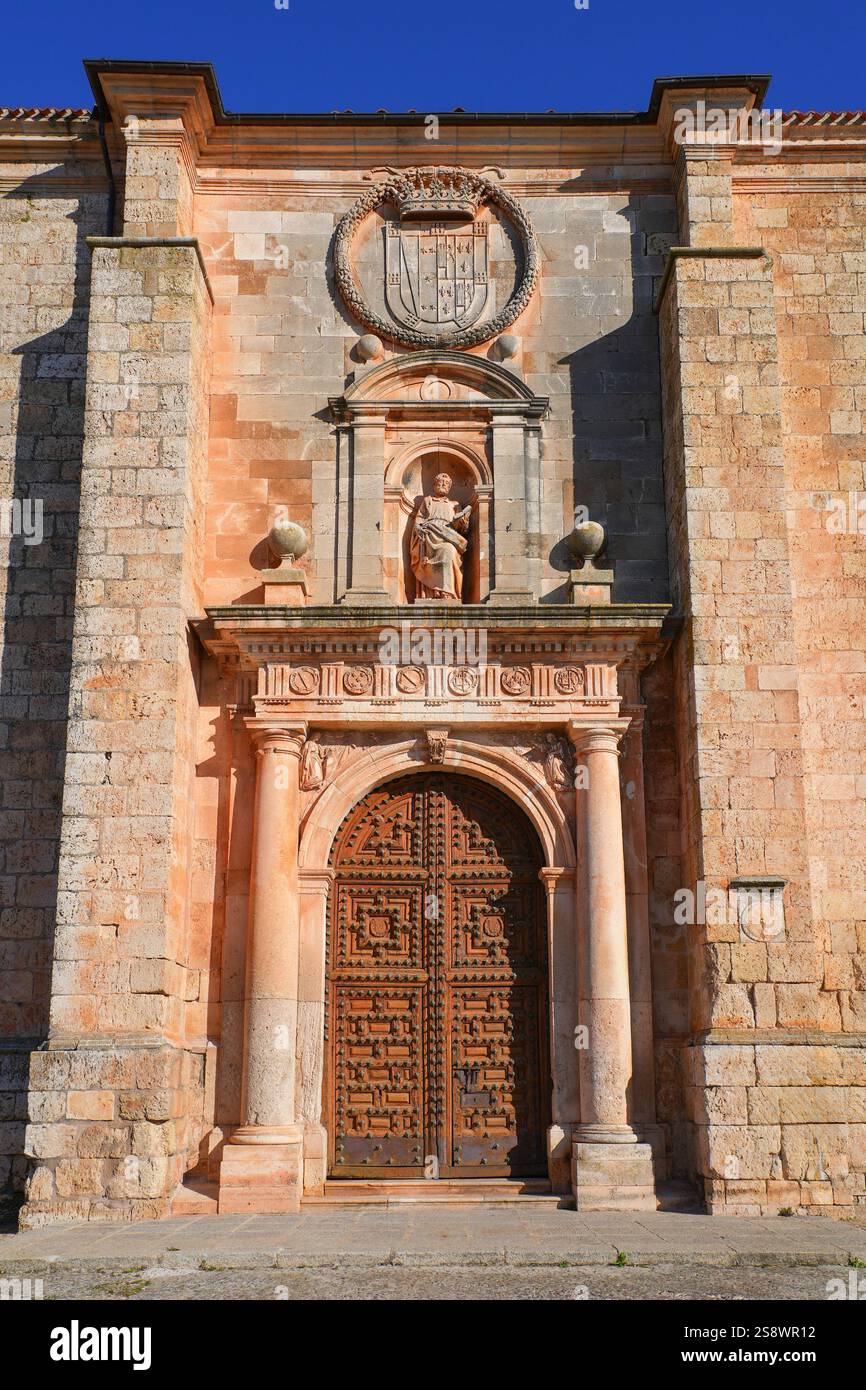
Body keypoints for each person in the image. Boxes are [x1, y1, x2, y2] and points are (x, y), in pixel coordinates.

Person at [410, 471, 471, 602]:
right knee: (440, 552)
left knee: (448, 551)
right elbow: (419, 519)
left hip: (448, 536)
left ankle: (447, 592)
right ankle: (431, 593)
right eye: (440, 482)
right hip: (430, 535)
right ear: (434, 485)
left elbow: (462, 528)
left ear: (449, 487)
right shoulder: (428, 501)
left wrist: (463, 522)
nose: (443, 485)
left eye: (446, 483)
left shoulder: (454, 504)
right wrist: (418, 528)